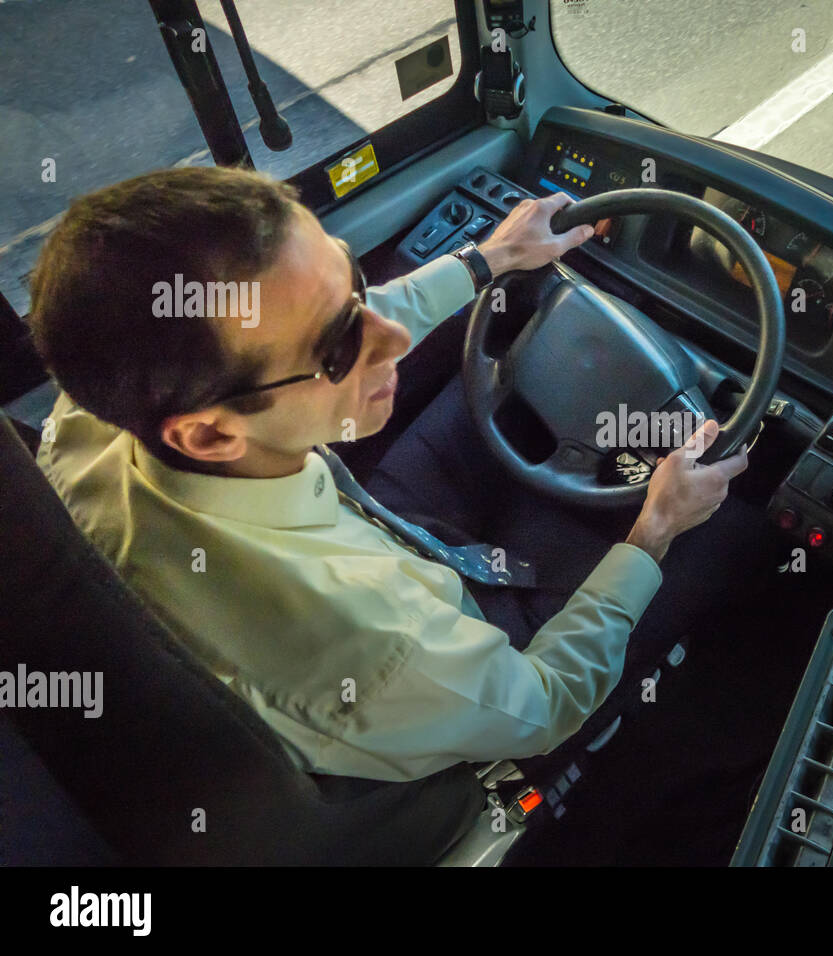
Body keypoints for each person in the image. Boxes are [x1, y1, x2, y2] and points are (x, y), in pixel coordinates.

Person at [29, 164, 761, 786]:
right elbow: (543, 704)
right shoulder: (367, 653)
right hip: (484, 670)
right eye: (342, 345)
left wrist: (490, 260)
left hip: (382, 540)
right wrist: (655, 525)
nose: (397, 337)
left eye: (350, 280)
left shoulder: (92, 417)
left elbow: (312, 315)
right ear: (211, 433)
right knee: (733, 527)